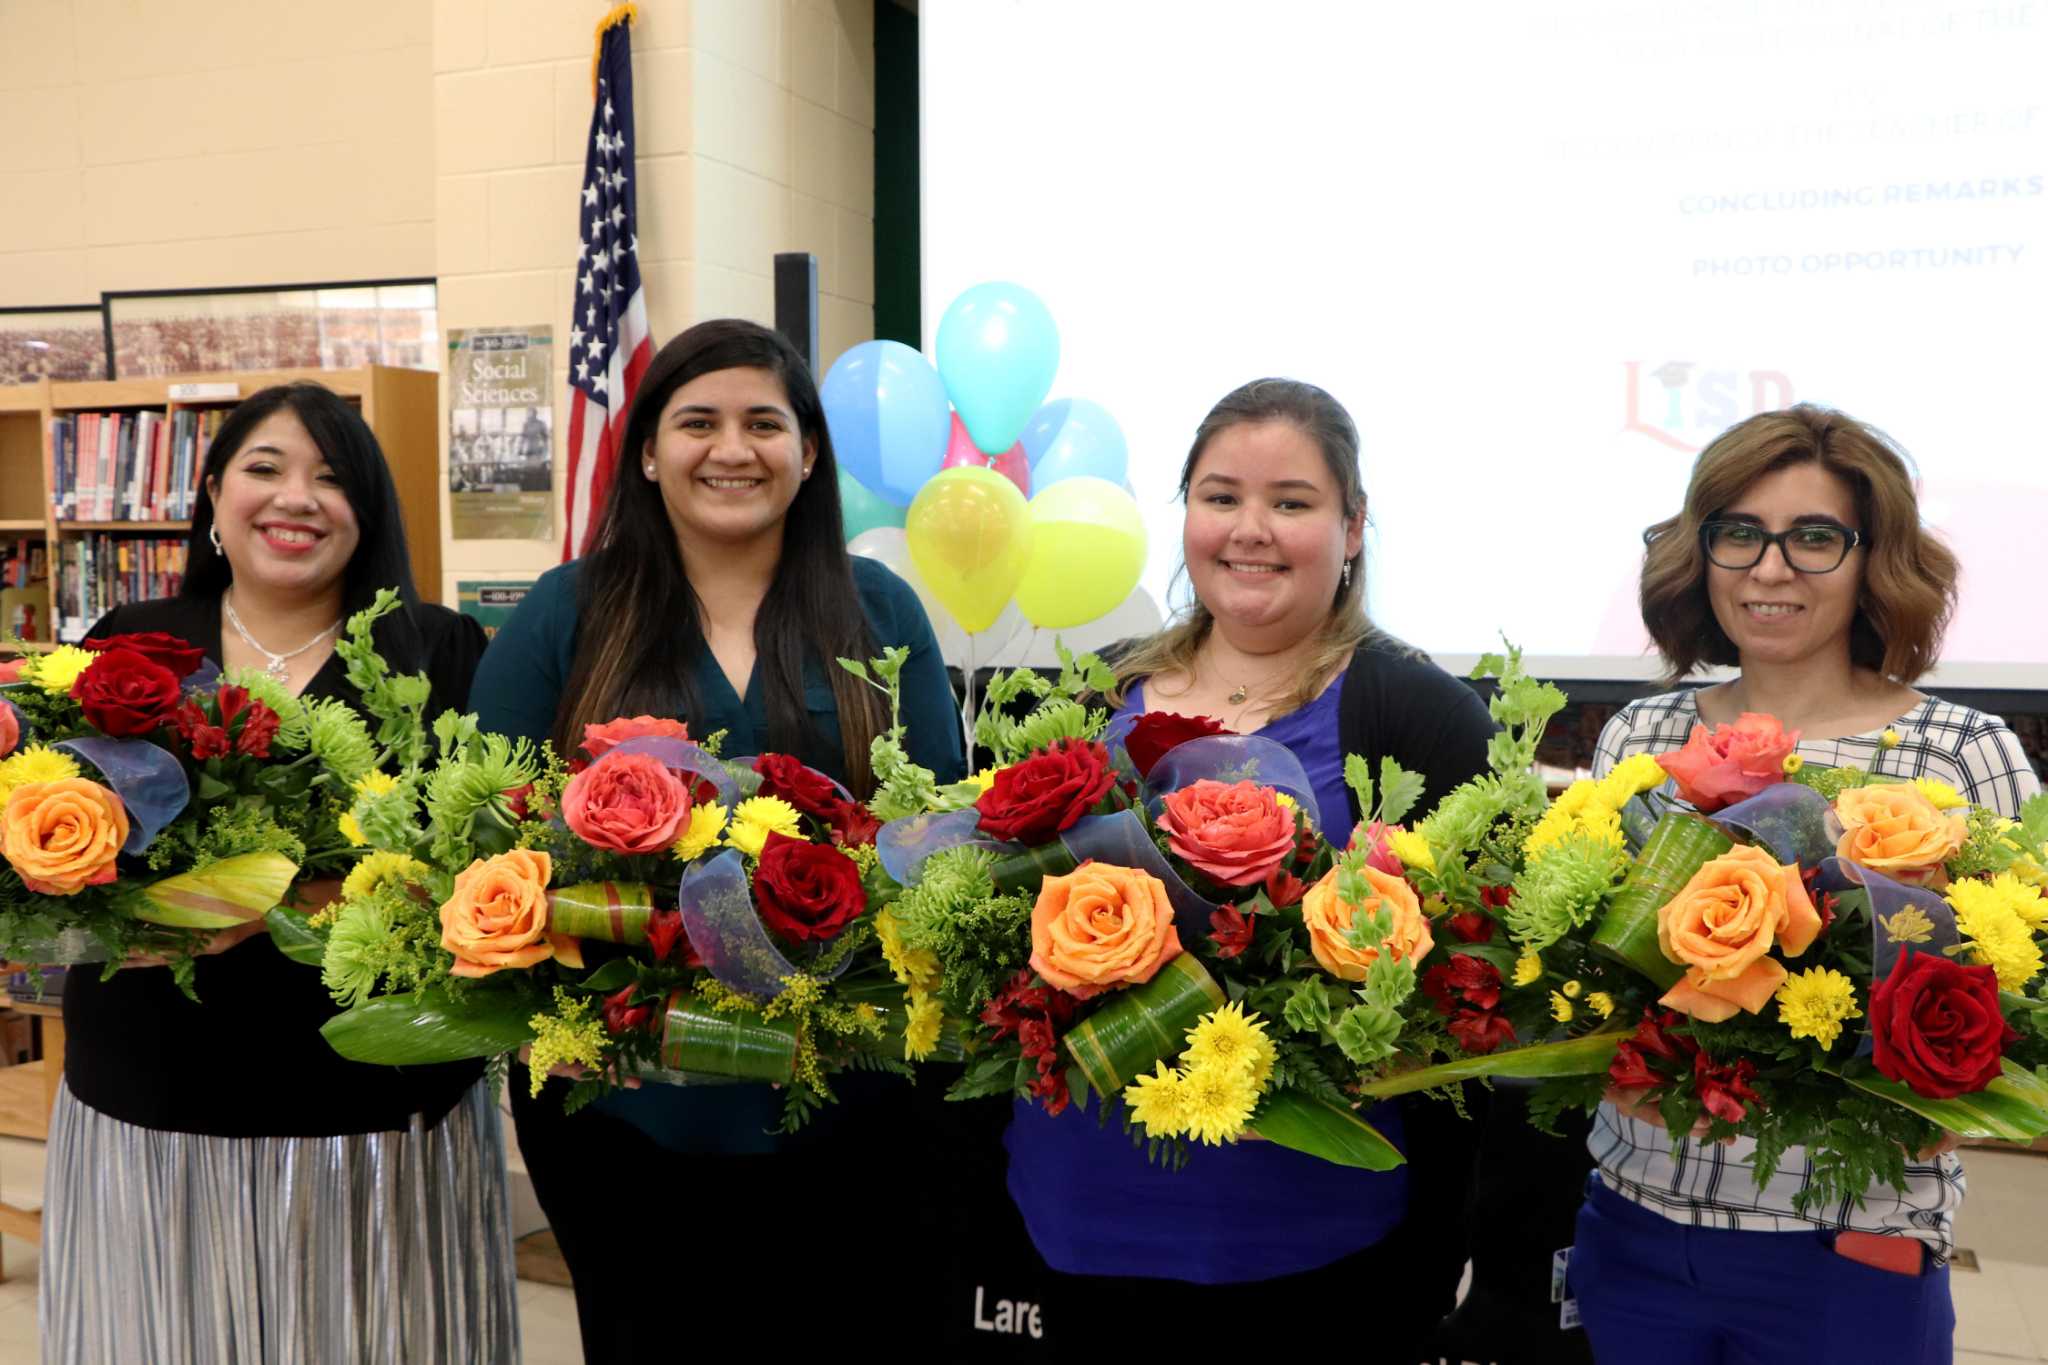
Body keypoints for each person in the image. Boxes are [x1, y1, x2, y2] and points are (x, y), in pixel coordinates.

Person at [469, 318, 965, 1360]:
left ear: (809, 452)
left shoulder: (879, 611)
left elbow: (938, 839)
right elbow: (486, 835)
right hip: (622, 1112)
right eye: (697, 422)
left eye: (763, 424)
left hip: (850, 1105)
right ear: (649, 452)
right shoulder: (567, 612)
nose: (731, 449)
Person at [985, 378, 1495, 1355]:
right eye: (1220, 497)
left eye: (1290, 502)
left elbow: (1477, 985)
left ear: (1352, 527)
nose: (1249, 529)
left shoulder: (1422, 715)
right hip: (1086, 1219)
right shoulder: (1098, 694)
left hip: (1323, 1244)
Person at [42, 383, 506, 1363]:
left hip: (370, 1113)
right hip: (151, 1091)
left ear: (367, 510)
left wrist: (279, 905)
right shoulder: (134, 640)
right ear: (213, 491)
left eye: (331, 478)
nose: (297, 497)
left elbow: (483, 876)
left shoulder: (437, 652)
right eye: (265, 468)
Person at [1571, 405, 2042, 1364]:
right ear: (1700, 553)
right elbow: (1584, 972)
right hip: (1635, 1226)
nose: (1770, 568)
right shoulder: (1639, 737)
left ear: (1876, 561)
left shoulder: (1964, 753)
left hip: (1847, 1246)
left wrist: (1948, 1091)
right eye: (1739, 533)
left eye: (1814, 538)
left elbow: (2030, 995)